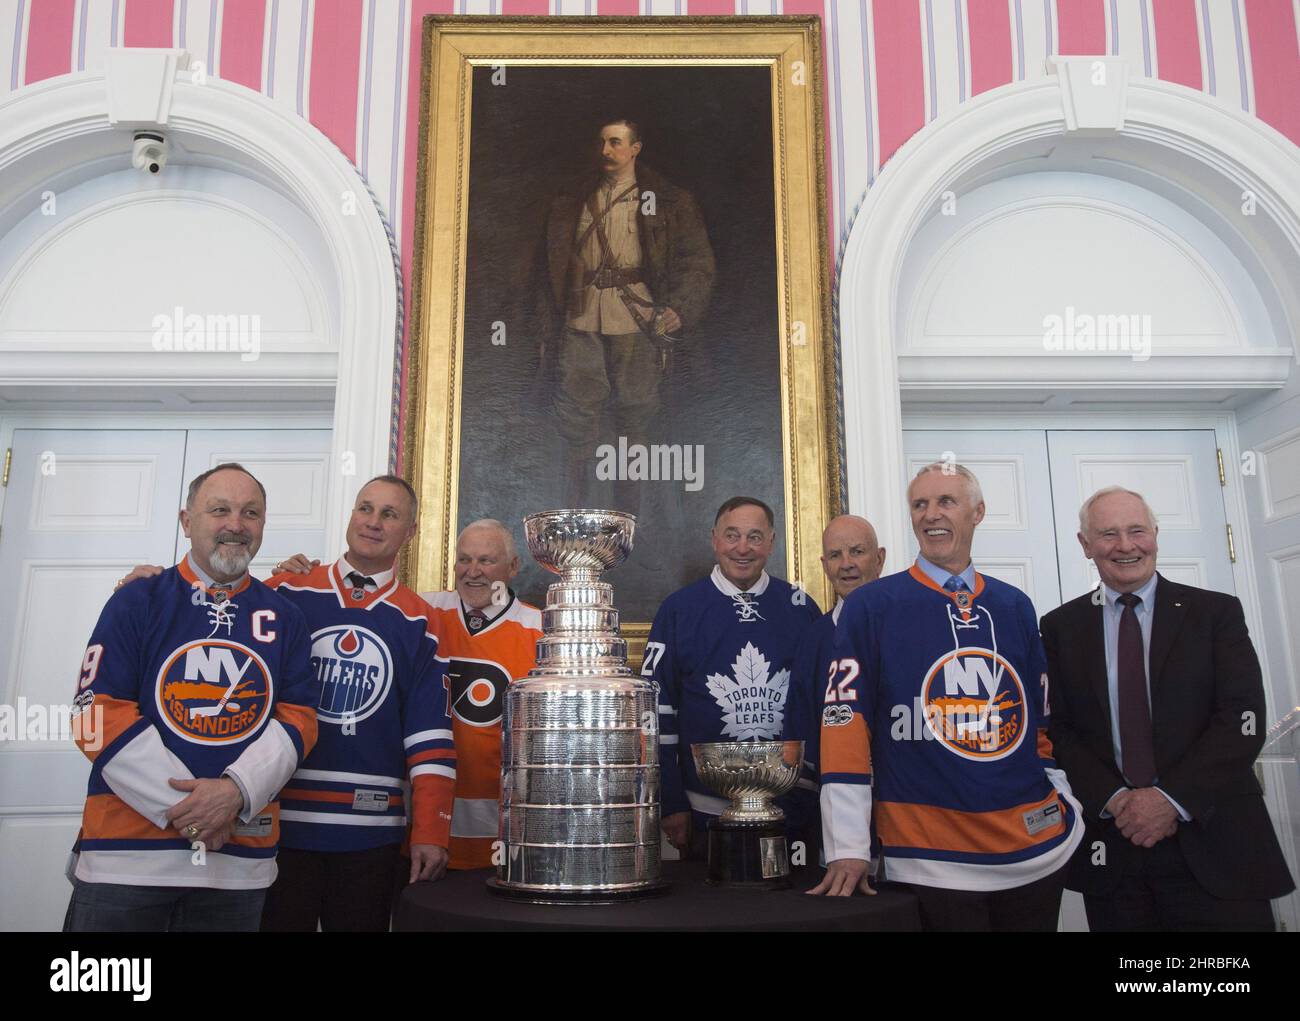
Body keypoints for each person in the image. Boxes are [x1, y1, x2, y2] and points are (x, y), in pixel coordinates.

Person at [116, 475, 457, 932]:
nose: (373, 522)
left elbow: (429, 734)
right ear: (351, 515)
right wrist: (147, 583)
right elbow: (207, 611)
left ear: (410, 532)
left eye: (390, 514)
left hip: (370, 829)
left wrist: (431, 831)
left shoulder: (423, 619)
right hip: (271, 821)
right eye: (365, 508)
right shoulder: (284, 590)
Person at [812, 463, 1082, 932]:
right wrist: (848, 846)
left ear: (977, 512)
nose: (931, 514)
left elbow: (1037, 723)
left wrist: (1062, 798)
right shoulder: (871, 606)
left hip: (1032, 852)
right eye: (920, 504)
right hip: (928, 859)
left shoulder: (1014, 604)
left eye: (946, 502)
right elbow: (844, 724)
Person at [65, 463, 319, 932]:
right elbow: (92, 715)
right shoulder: (138, 600)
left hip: (237, 868)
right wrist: (194, 812)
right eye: (219, 510)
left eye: (251, 513)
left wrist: (235, 793)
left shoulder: (285, 616)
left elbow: (299, 719)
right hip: (124, 864)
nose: (236, 525)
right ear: (186, 521)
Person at [1040, 486, 1294, 931]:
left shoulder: (1215, 613)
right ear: (1085, 545)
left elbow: (1242, 718)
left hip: (1217, 842)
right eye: (1108, 534)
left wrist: (1168, 801)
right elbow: (1058, 728)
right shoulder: (1060, 627)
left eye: (1137, 530)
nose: (1125, 546)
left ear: (1155, 534)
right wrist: (1119, 801)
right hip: (1116, 845)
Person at [542, 117, 715, 508]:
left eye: (616, 143)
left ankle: (629, 518)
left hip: (636, 316)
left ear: (635, 148)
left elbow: (698, 263)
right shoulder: (574, 199)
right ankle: (575, 513)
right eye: (603, 143)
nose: (607, 151)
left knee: (634, 415)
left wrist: (680, 308)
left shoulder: (670, 200)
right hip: (582, 315)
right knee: (576, 418)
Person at [644, 496, 821, 859]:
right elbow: (655, 712)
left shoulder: (800, 607)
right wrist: (671, 800)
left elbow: (818, 706)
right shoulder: (678, 610)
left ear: (772, 541)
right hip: (704, 812)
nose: (743, 548)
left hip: (790, 809)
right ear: (714, 539)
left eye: (755, 537)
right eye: (732, 535)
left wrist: (811, 792)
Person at [420, 520, 542, 870]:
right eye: (464, 560)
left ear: (514, 567)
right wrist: (296, 575)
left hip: (505, 837)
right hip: (424, 829)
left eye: (486, 561)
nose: (473, 572)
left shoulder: (542, 630)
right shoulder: (422, 611)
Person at [789, 515, 887, 858]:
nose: (847, 565)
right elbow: (800, 723)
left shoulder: (911, 625)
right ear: (824, 565)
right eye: (835, 555)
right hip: (837, 805)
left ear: (880, 558)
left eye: (857, 552)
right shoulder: (813, 637)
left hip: (909, 803)